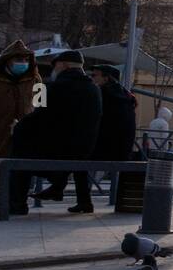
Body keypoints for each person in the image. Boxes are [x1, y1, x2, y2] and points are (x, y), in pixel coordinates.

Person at [8, 50, 103, 213]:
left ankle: (18, 204)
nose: (54, 69)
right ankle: (60, 186)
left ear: (64, 65)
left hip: (59, 150)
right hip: (84, 149)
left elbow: (36, 116)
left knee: (20, 150)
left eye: (56, 65)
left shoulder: (48, 87)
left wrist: (17, 126)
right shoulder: (94, 89)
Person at [69, 64, 138, 215]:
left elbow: (93, 122)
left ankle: (83, 202)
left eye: (95, 75)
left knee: (77, 160)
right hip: (124, 151)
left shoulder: (101, 94)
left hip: (108, 149)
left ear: (106, 78)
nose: (91, 78)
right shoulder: (126, 95)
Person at [0, 40, 38, 159]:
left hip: (25, 140)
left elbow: (42, 107)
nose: (23, 63)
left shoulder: (36, 80)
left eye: (26, 60)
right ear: (7, 61)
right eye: (18, 60)